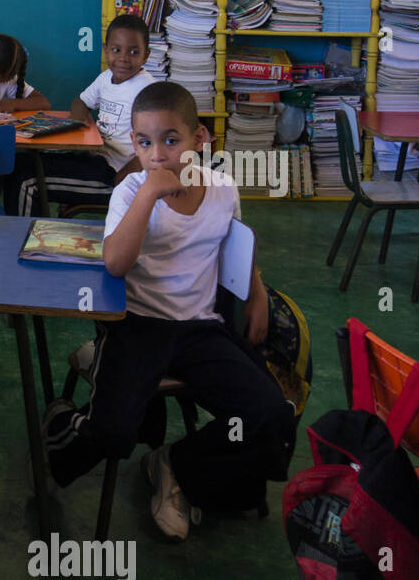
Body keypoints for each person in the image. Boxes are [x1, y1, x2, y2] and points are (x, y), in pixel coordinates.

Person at [42, 82, 295, 540]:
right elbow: (116, 262)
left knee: (270, 414)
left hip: (200, 329)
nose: (157, 154)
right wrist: (147, 196)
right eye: (143, 142)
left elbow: (234, 247)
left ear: (199, 139)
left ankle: (175, 464)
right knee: (117, 433)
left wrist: (256, 291)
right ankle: (63, 420)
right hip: (137, 326)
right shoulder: (131, 192)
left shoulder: (221, 189)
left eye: (170, 140)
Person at [8, 14, 156, 217]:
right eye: (116, 50)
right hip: (94, 158)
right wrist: (77, 124)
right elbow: (80, 102)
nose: (123, 58)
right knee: (21, 163)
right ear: (105, 50)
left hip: (115, 176)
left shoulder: (147, 90)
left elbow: (154, 145)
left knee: (27, 181)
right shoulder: (107, 78)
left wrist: (122, 179)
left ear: (146, 56)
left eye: (133, 52)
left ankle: (22, 246)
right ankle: (41, 232)